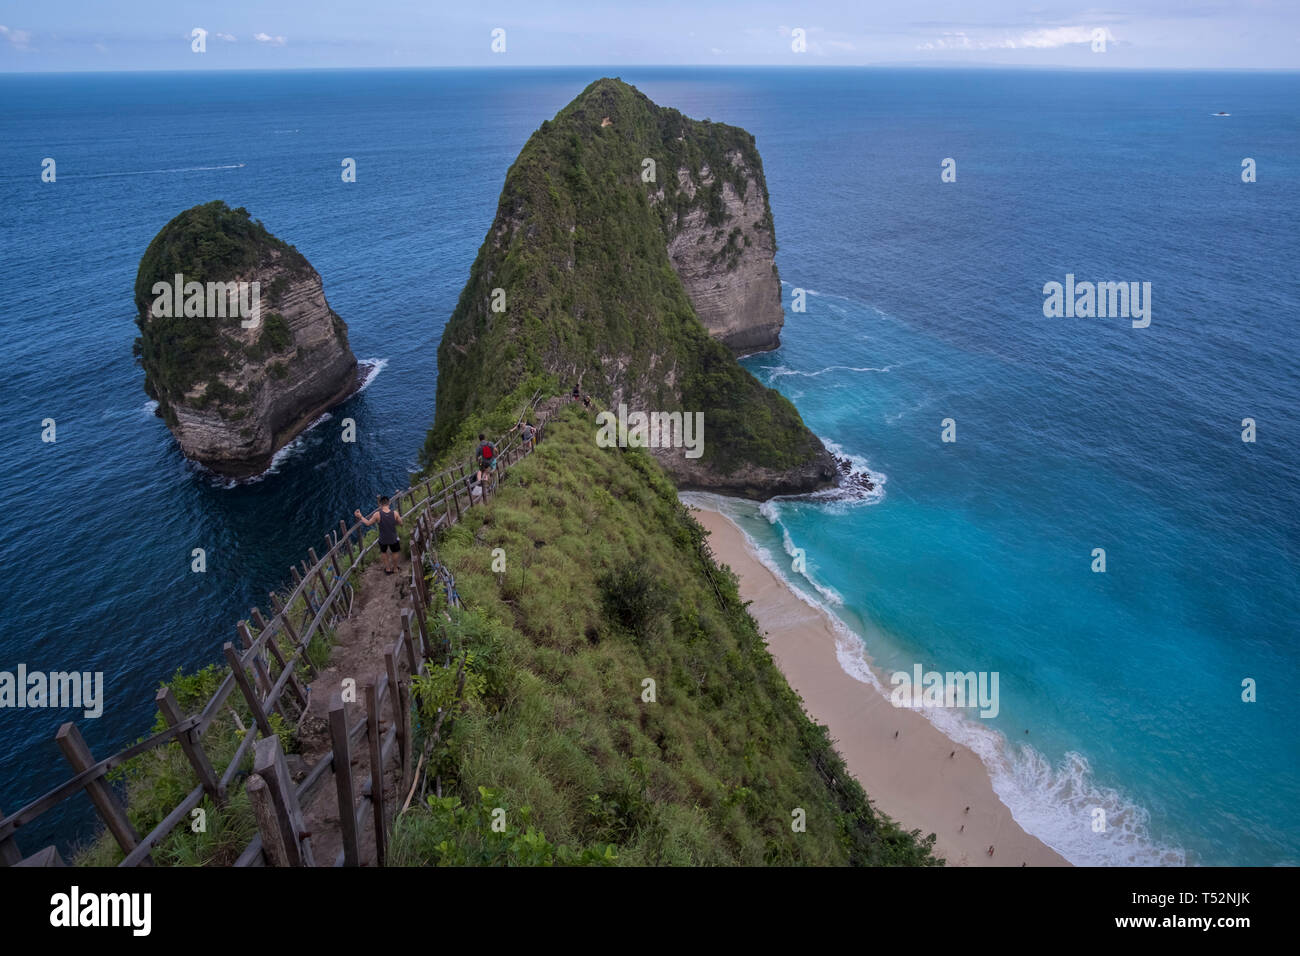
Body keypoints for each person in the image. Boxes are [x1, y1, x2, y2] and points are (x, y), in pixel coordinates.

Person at [355, 495, 403, 575]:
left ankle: (387, 569)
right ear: (389, 503)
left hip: (383, 538)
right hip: (393, 537)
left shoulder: (377, 514)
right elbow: (401, 523)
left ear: (380, 504)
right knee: (395, 552)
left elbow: (368, 523)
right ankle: (395, 569)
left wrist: (360, 516)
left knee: (384, 552)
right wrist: (394, 523)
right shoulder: (395, 513)